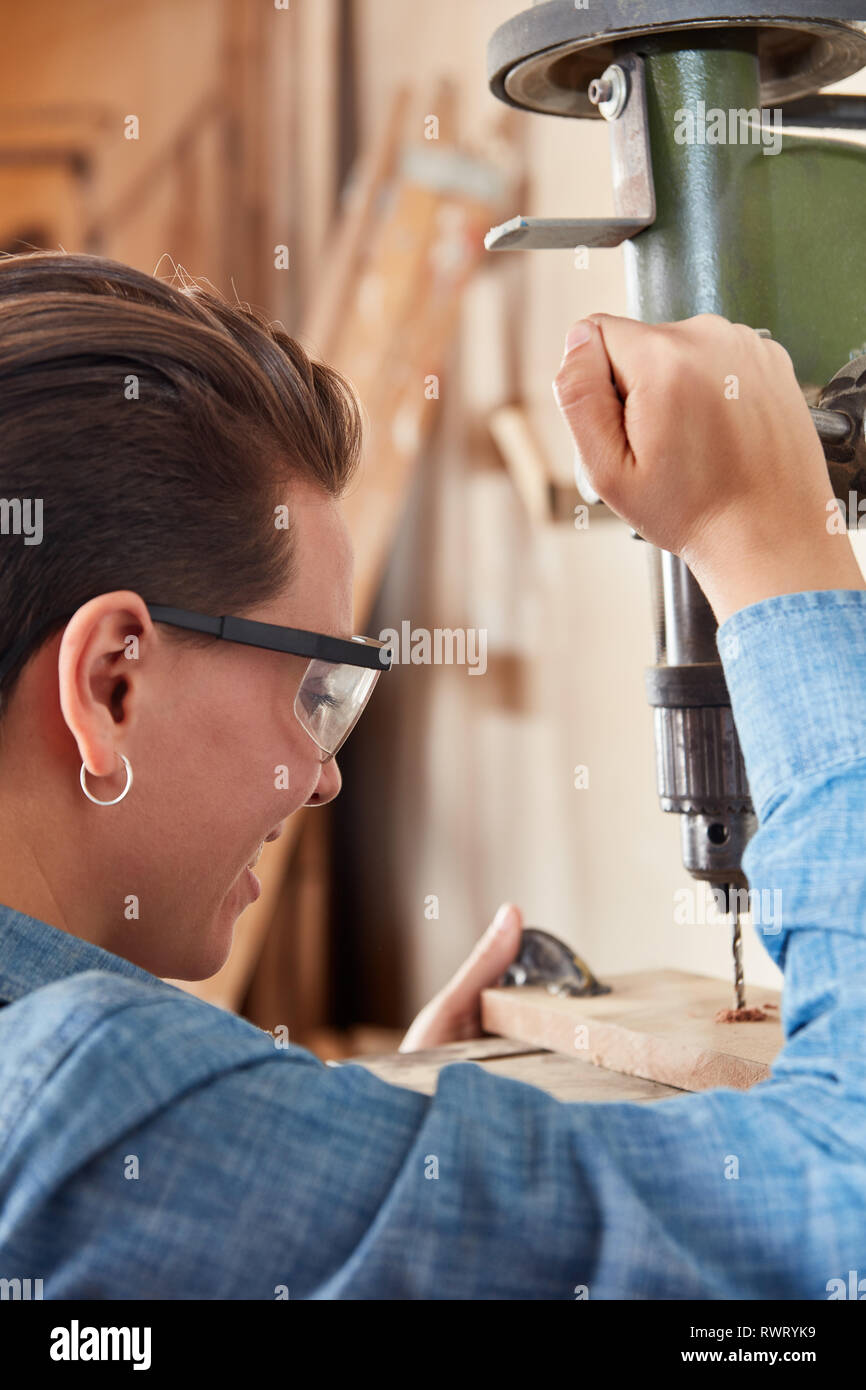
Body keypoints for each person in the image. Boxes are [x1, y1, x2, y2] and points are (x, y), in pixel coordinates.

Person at [0, 252, 863, 1299]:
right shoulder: (73, 1103)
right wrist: (768, 545)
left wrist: (376, 1155)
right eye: (314, 689)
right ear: (111, 684)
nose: (322, 780)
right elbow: (834, 1219)